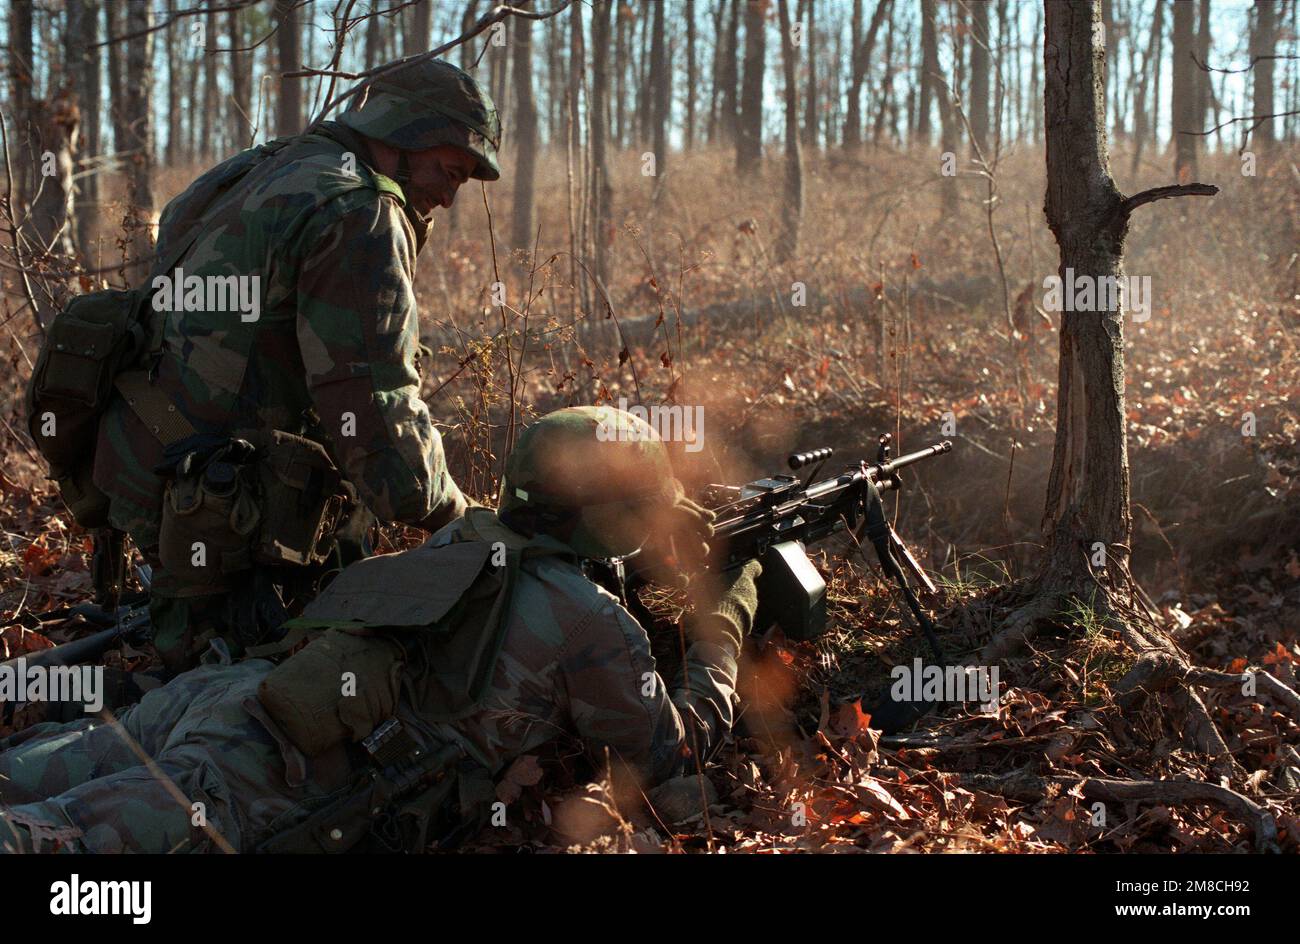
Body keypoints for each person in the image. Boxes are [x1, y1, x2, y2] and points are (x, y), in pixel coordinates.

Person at [0, 407, 761, 854]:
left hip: (224, 694)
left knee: (19, 777)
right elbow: (671, 749)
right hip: (263, 767)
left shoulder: (467, 536)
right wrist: (723, 620)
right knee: (46, 842)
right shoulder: (594, 623)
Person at [86, 58, 501, 672]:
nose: (447, 196)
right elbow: (374, 404)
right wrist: (455, 517)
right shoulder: (360, 212)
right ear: (404, 136)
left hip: (143, 464)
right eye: (450, 171)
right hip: (220, 513)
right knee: (247, 703)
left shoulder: (265, 165)